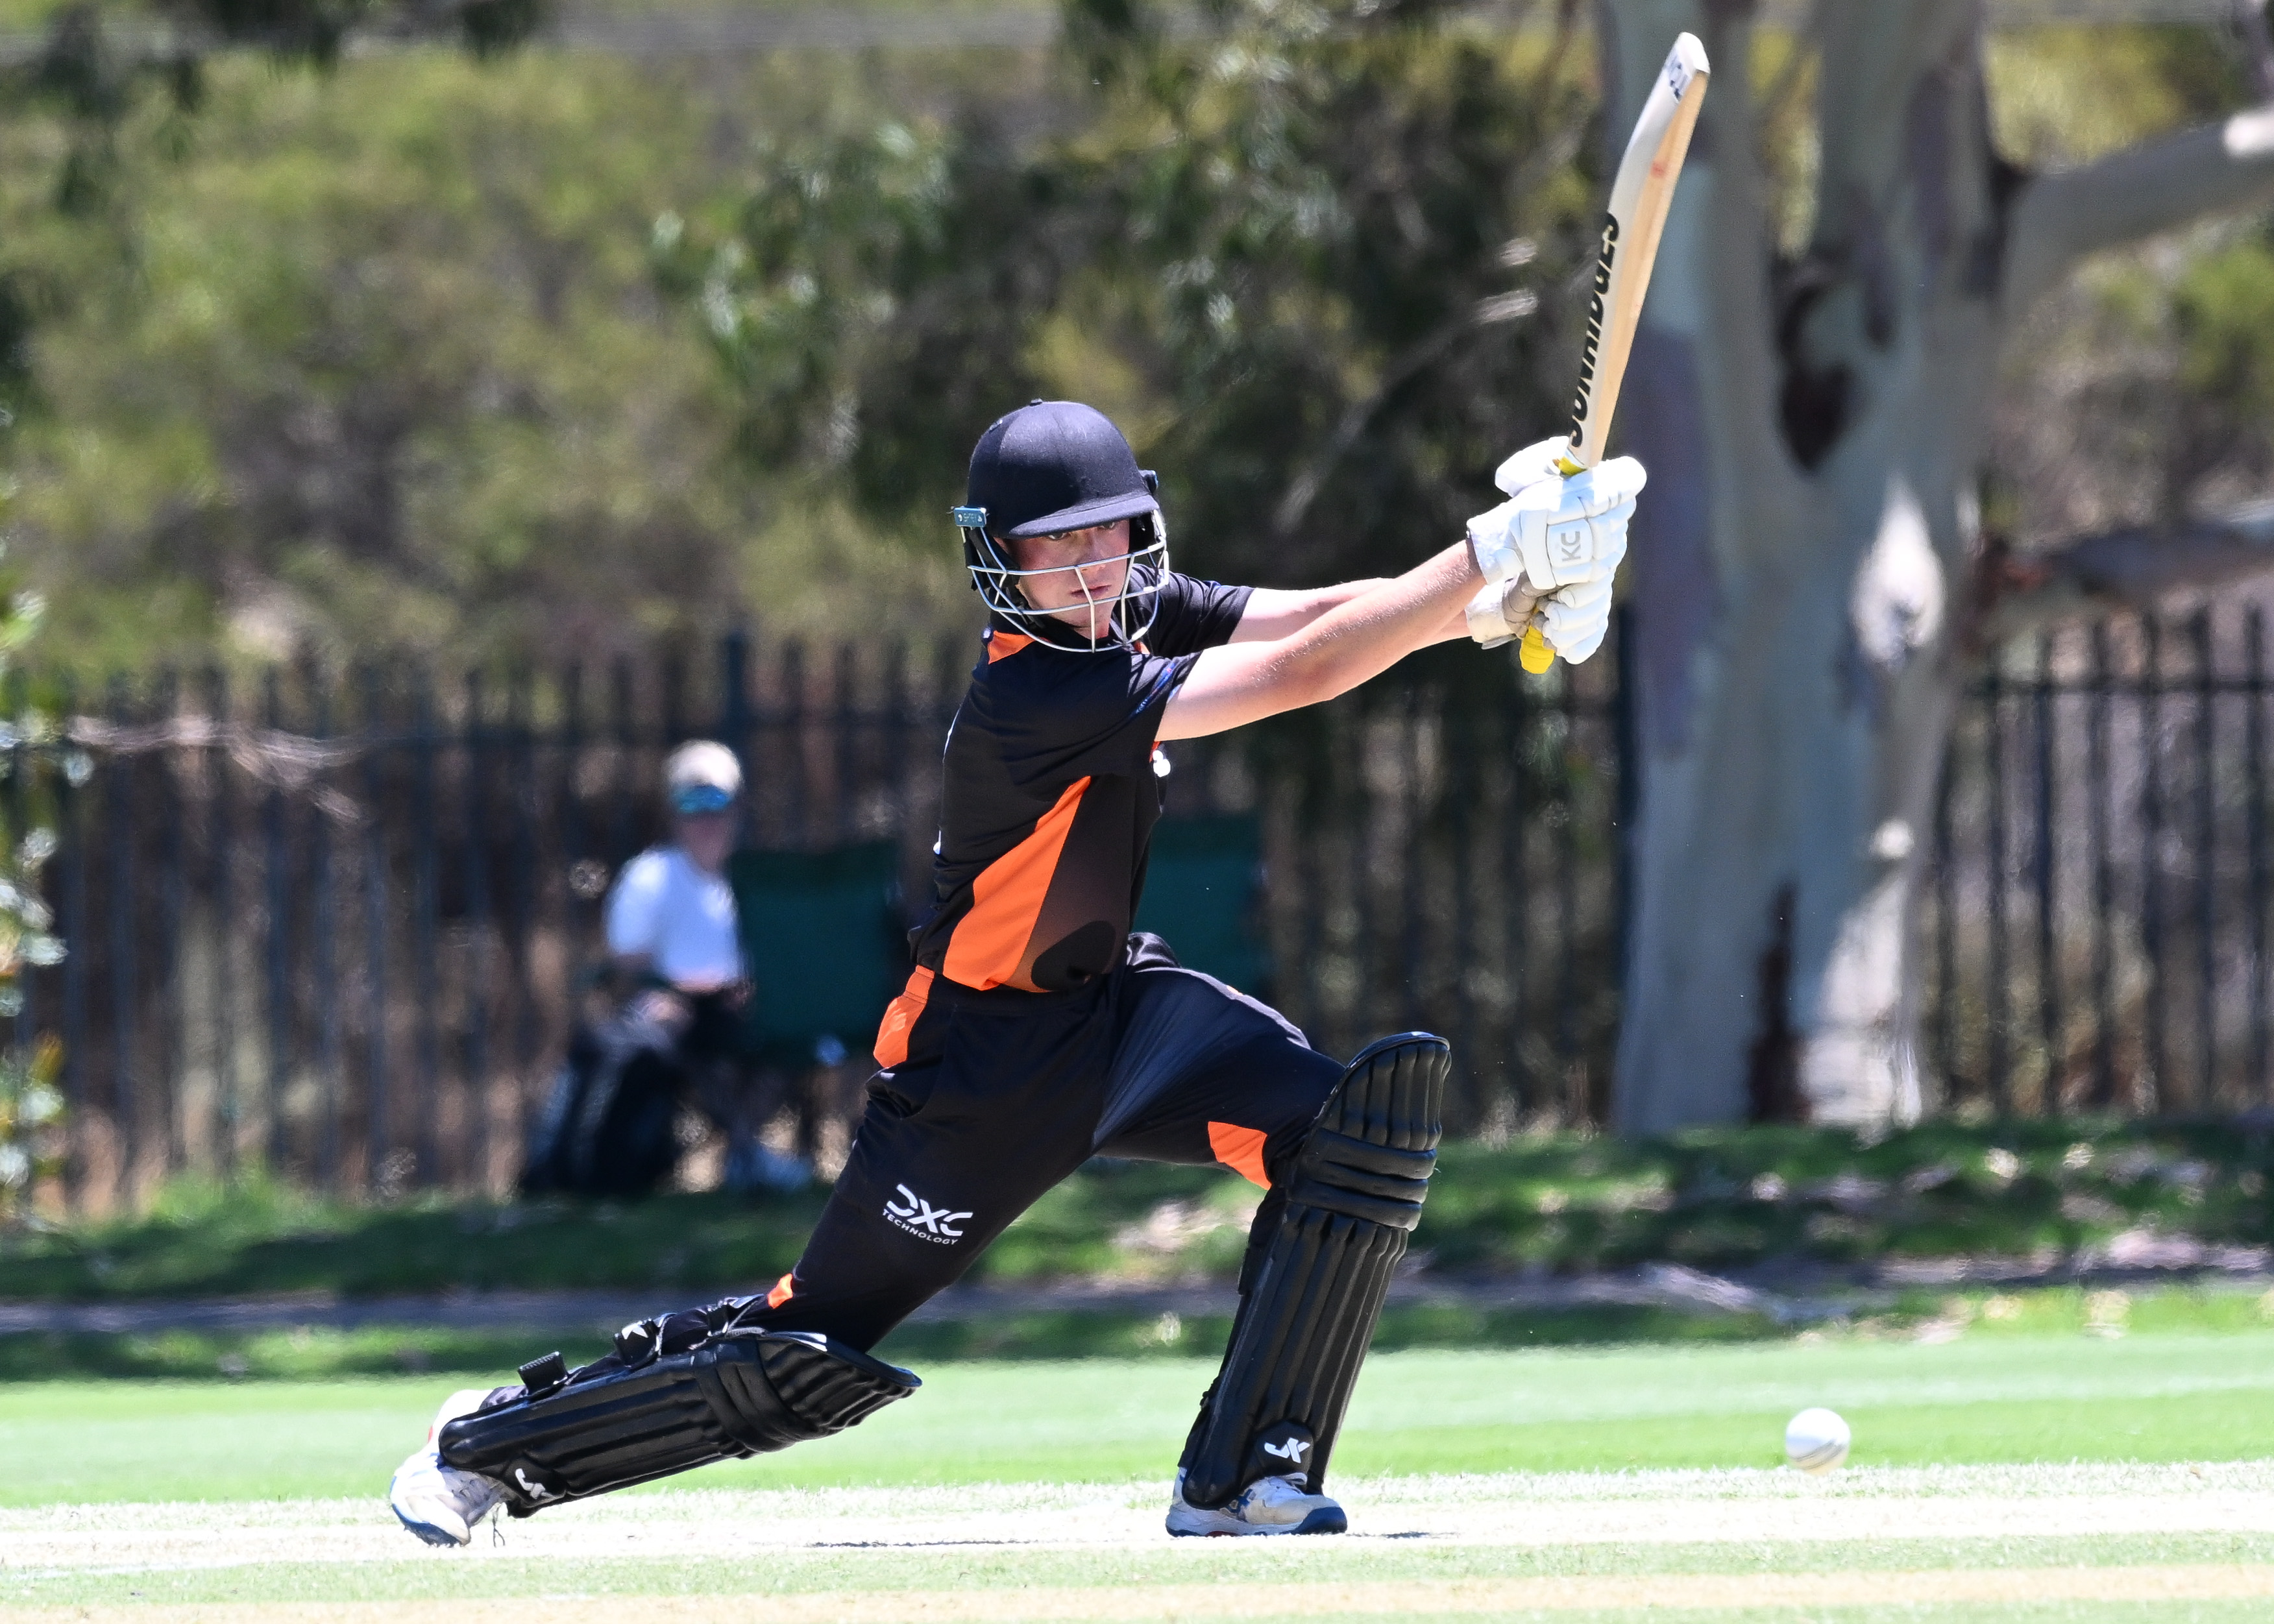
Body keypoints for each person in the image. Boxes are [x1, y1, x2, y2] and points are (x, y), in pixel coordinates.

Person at [391, 400, 1643, 1544]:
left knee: (1345, 1133)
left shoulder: (1130, 609)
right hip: (974, 1072)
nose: (1094, 568)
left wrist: (1499, 593)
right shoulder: (1033, 690)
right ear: (1002, 563)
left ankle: (1247, 1474)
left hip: (1114, 1011)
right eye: (1060, 548)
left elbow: (1319, 612)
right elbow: (1308, 674)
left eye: (1112, 536)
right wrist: (1489, 553)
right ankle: (487, 1450)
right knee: (808, 1353)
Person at [520, 742, 807, 1198]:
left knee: (793, 1035)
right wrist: (684, 990)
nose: (706, 817)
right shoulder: (649, 876)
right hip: (672, 1012)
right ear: (673, 813)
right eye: (692, 803)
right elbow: (628, 965)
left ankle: (744, 1151)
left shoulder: (757, 878)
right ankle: (740, 1154)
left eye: (718, 802)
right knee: (662, 1031)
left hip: (747, 1013)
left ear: (737, 808)